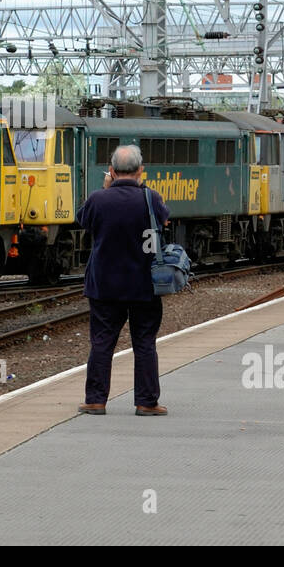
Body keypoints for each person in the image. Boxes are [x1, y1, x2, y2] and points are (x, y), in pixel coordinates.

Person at [75, 144, 169, 417]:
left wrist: (106, 189)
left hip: (105, 286)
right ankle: (146, 402)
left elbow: (84, 221)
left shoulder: (98, 199)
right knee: (145, 343)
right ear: (141, 171)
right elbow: (163, 222)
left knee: (102, 342)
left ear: (112, 171)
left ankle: (95, 400)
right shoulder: (152, 198)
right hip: (144, 285)